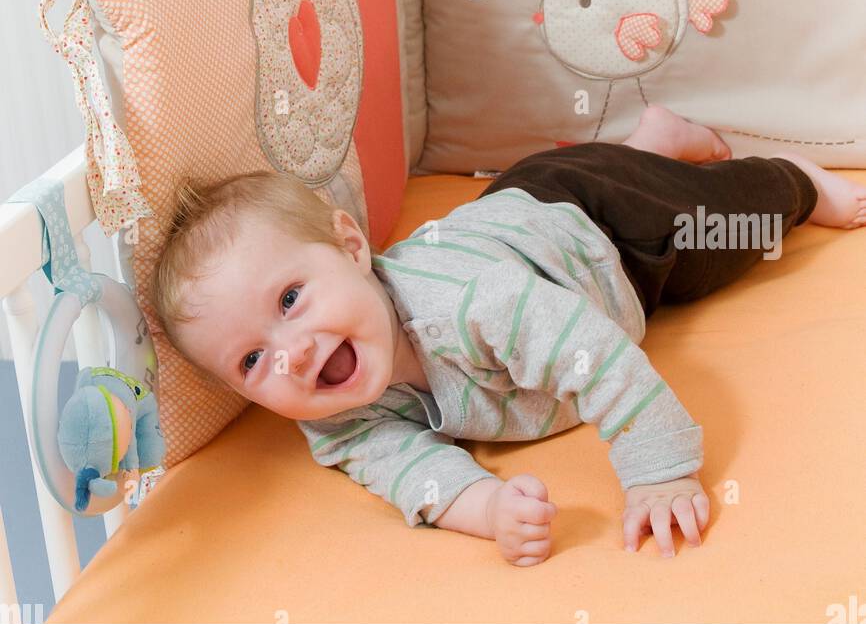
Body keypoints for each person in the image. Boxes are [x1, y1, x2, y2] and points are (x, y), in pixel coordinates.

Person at [150, 105, 866, 567]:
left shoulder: (475, 305)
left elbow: (595, 353)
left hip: (606, 228)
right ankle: (648, 142)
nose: (294, 350)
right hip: (510, 215)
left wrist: (659, 468)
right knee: (621, 168)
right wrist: (488, 510)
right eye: (251, 359)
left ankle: (794, 179)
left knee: (726, 223)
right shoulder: (336, 421)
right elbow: (410, 472)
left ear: (352, 246)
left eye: (291, 298)